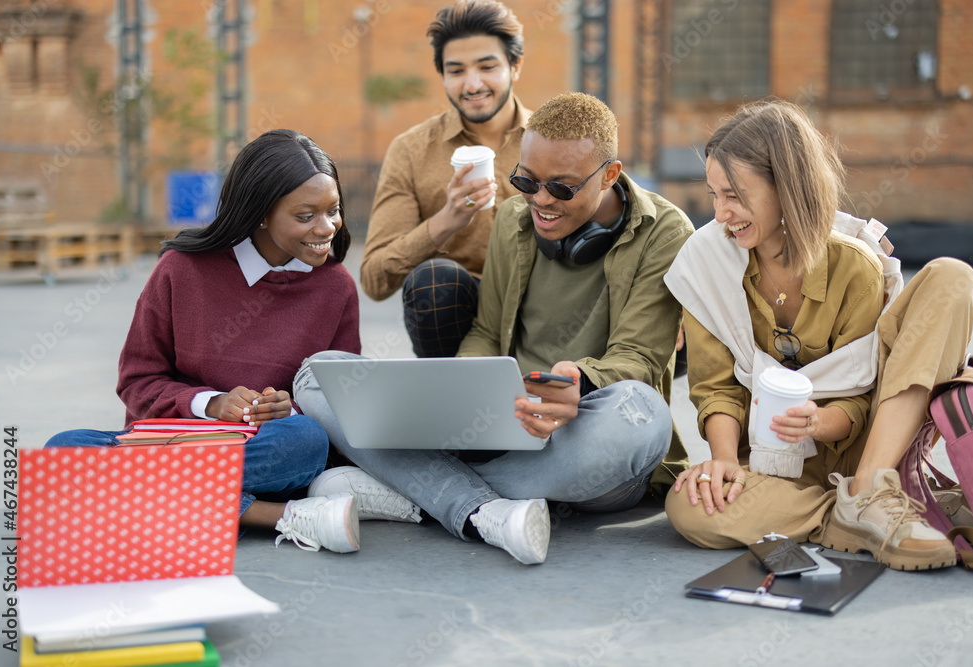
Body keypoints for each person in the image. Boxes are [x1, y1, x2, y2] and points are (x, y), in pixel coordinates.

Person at [295, 92, 695, 564]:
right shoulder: (512, 217)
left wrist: (579, 382)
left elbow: (641, 360)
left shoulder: (666, 232)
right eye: (526, 180)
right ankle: (476, 504)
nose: (541, 200)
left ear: (609, 175)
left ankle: (418, 491)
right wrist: (464, 391)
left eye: (562, 188)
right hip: (497, 432)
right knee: (316, 373)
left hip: (583, 436)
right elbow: (486, 331)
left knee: (643, 415)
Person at [663, 99, 973, 571]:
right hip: (773, 467)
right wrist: (725, 460)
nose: (720, 213)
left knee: (953, 276)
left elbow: (860, 390)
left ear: (785, 189)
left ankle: (873, 491)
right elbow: (715, 389)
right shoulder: (705, 262)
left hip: (866, 447)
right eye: (714, 194)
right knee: (689, 506)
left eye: (735, 195)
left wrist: (818, 422)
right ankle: (864, 515)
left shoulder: (855, 266)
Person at [45, 129, 365, 555]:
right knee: (63, 449)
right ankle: (276, 515)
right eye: (306, 216)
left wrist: (291, 406)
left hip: (265, 451)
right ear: (261, 214)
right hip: (177, 438)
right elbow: (137, 381)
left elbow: (343, 400)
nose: (327, 228)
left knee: (305, 439)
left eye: (334, 210)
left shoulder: (336, 288)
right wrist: (210, 404)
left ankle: (134, 499)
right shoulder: (182, 270)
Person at [360, 0, 530, 358]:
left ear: (515, 67)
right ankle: (451, 397)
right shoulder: (412, 150)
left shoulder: (553, 140)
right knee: (435, 278)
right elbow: (375, 279)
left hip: (542, 308)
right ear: (442, 76)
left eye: (487, 67)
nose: (472, 84)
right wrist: (445, 222)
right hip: (454, 319)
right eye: (456, 71)